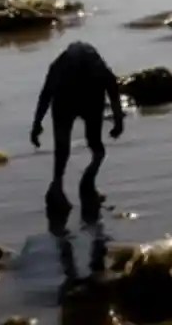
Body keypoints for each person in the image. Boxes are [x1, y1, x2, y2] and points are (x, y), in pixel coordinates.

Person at [31, 41, 124, 215]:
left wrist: (37, 124)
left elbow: (45, 95)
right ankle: (79, 184)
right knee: (94, 148)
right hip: (80, 98)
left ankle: (66, 185)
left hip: (74, 98)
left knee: (66, 148)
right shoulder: (92, 67)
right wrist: (118, 119)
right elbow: (112, 87)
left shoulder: (61, 66)